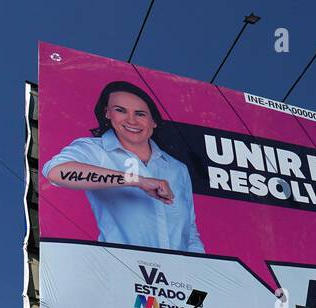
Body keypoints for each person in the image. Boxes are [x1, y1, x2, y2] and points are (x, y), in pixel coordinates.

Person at [42, 80, 204, 253]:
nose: (131, 120)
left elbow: (190, 232)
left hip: (178, 274)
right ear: (107, 113)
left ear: (154, 121)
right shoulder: (94, 149)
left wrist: (200, 271)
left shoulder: (177, 168)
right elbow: (57, 172)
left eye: (140, 114)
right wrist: (136, 180)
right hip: (120, 271)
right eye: (120, 110)